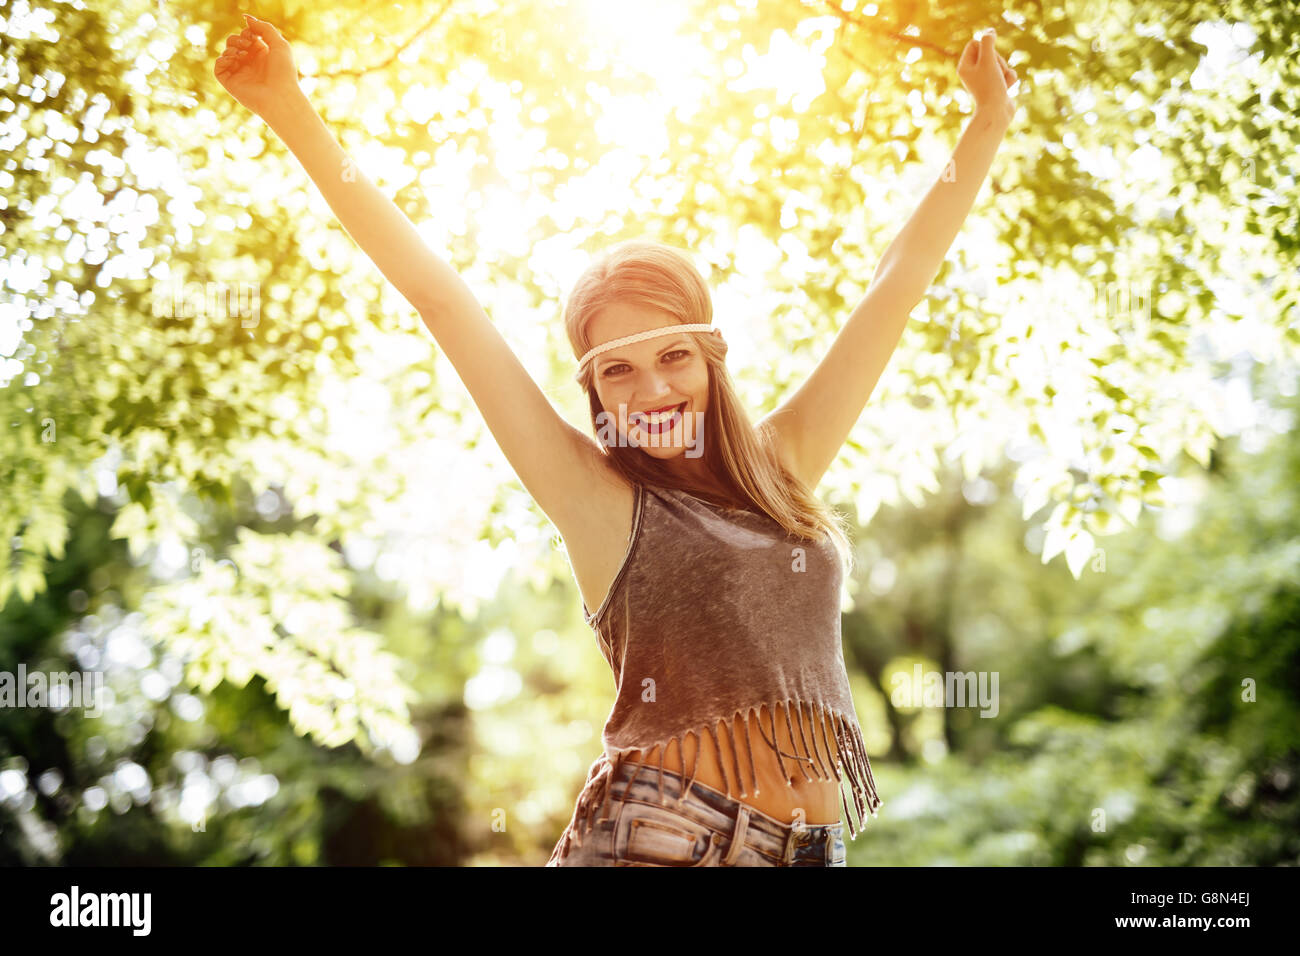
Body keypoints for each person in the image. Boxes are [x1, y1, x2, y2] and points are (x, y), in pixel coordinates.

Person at [215, 15, 1018, 866]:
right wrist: (289, 106)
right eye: (618, 371)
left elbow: (897, 283)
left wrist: (988, 121)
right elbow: (442, 300)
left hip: (813, 852)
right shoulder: (598, 499)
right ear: (592, 391)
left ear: (711, 359)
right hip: (660, 840)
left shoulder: (782, 469)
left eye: (673, 356)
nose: (653, 387)